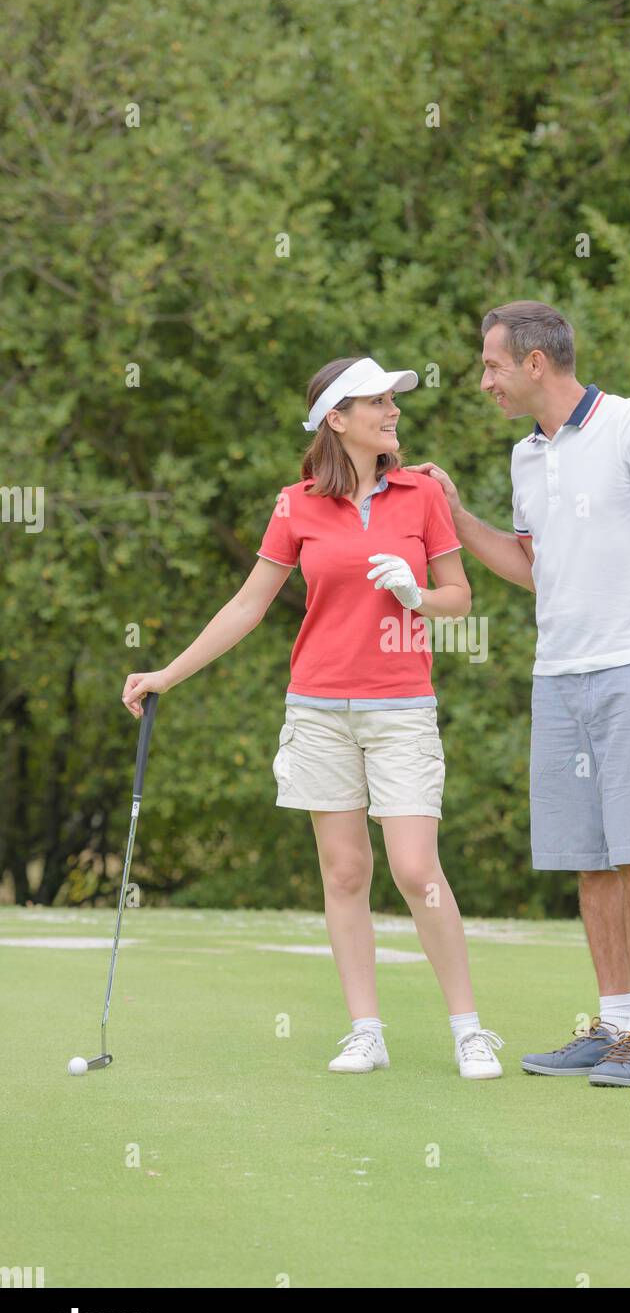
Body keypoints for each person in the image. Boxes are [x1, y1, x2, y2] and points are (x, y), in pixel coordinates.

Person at [121, 355, 504, 1080]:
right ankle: (366, 1030)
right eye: (377, 402)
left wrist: (415, 594)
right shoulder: (294, 503)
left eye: (393, 400)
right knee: (344, 871)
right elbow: (247, 605)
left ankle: (469, 1030)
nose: (392, 411)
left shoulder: (421, 492)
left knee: (416, 869)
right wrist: (167, 672)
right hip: (320, 709)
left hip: (400, 708)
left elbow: (460, 598)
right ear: (337, 419)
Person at [408, 301, 630, 1088]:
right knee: (587, 858)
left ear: (534, 363)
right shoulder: (524, 457)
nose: (484, 381)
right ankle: (610, 1024)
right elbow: (529, 567)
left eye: (491, 366)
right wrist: (456, 517)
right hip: (559, 676)